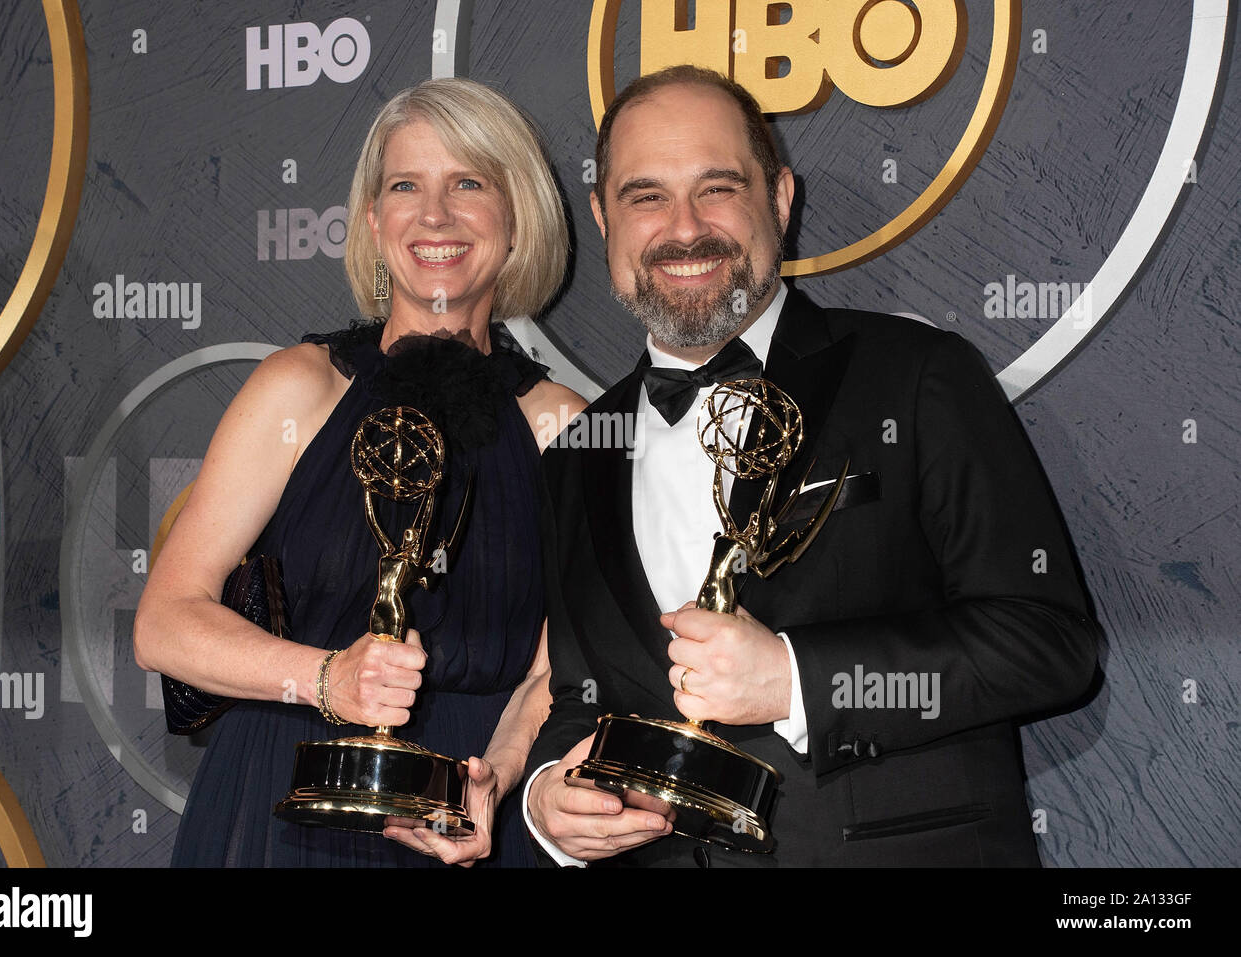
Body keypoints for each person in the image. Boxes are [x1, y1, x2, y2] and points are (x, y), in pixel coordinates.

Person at [523, 65, 1101, 867]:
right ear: (603, 218)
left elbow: (1048, 643)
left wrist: (798, 680)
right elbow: (577, 696)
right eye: (645, 195)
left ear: (781, 200)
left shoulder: (917, 374)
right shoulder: (575, 455)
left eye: (718, 187)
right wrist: (551, 793)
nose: (684, 227)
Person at [134, 77, 584, 867]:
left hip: (475, 810)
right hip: (286, 796)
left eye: (468, 184)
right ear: (374, 221)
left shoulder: (563, 426)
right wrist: (325, 677)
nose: (434, 214)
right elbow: (164, 622)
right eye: (405, 185)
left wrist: (501, 774)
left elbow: (559, 666)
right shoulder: (299, 388)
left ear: (517, 220)